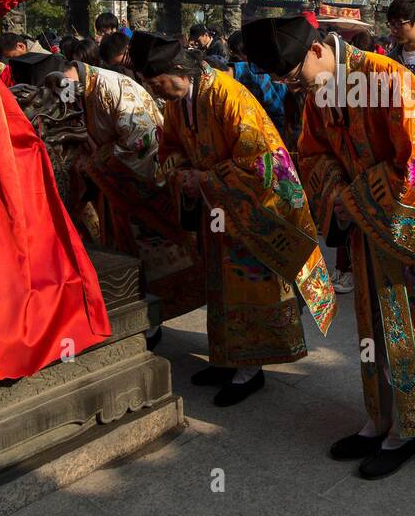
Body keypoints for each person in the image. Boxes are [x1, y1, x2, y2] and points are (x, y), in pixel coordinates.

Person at [242, 15, 415, 479]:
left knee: (411, 330)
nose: (294, 88)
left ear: (315, 51)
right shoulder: (319, 90)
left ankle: (406, 429)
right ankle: (380, 417)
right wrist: (341, 199)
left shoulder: (386, 78)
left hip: (414, 229)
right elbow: (313, 153)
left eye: (291, 76)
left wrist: (353, 198)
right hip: (369, 229)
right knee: (375, 330)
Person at [142, 35, 337, 407]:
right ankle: (226, 357)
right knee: (220, 286)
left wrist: (205, 178)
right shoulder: (177, 102)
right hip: (215, 208)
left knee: (252, 287)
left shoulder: (228, 95)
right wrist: (181, 172)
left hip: (256, 209)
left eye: (156, 84)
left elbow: (261, 161)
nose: (156, 92)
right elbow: (170, 147)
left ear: (178, 71)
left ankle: (251, 369)